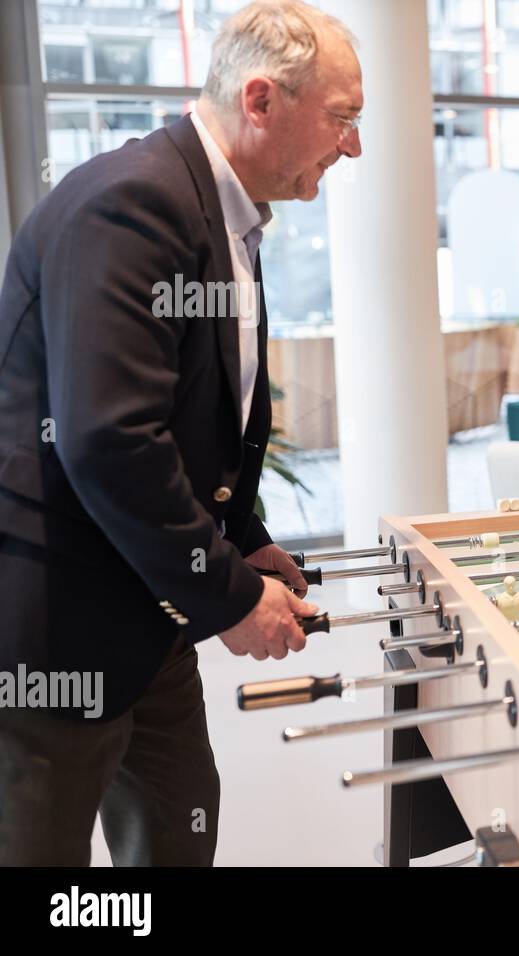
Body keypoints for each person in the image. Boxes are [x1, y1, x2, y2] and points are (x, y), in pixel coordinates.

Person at [0, 0, 363, 865]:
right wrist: (232, 598)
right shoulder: (132, 203)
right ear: (262, 100)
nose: (353, 147)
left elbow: (195, 419)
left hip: (148, 621)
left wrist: (245, 543)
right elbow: (110, 439)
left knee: (176, 837)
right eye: (344, 119)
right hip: (56, 627)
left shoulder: (224, 212)